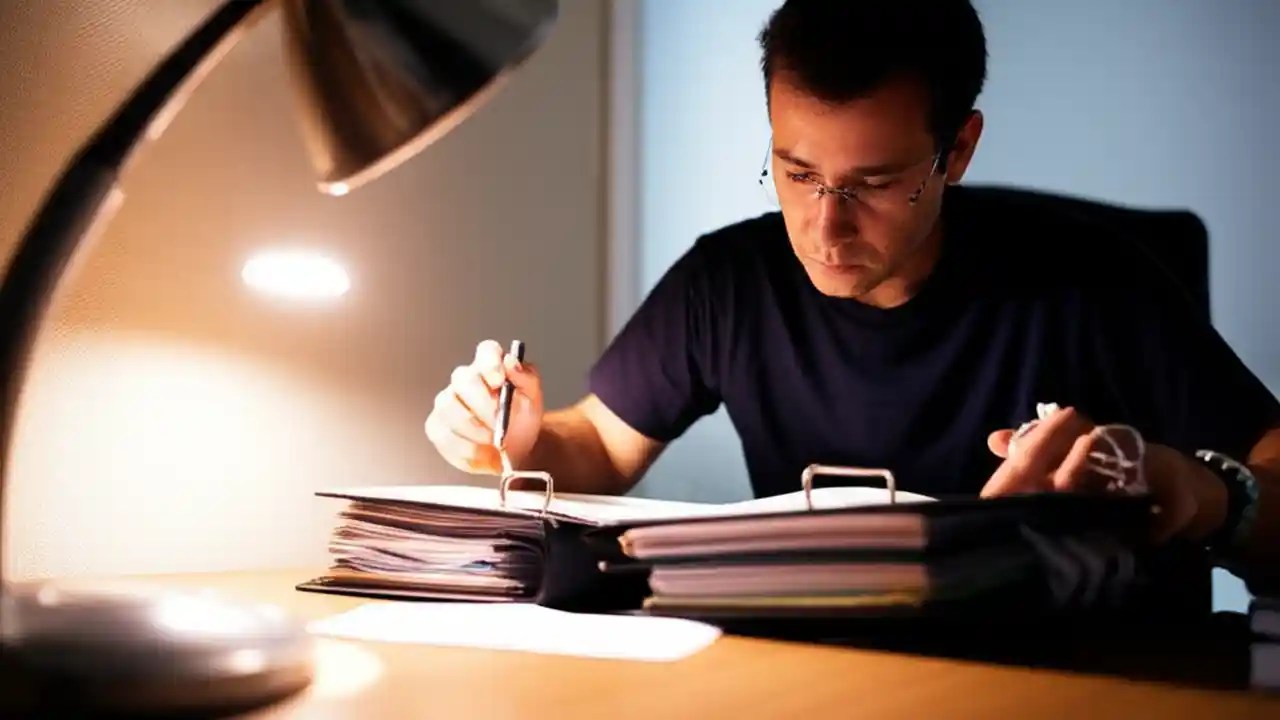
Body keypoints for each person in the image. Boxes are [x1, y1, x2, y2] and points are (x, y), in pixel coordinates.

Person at [424, 0, 1280, 591]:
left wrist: (1202, 491)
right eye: (797, 173)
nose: (825, 229)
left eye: (874, 183)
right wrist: (517, 436)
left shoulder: (1095, 277)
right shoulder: (730, 279)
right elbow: (602, 448)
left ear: (958, 150)